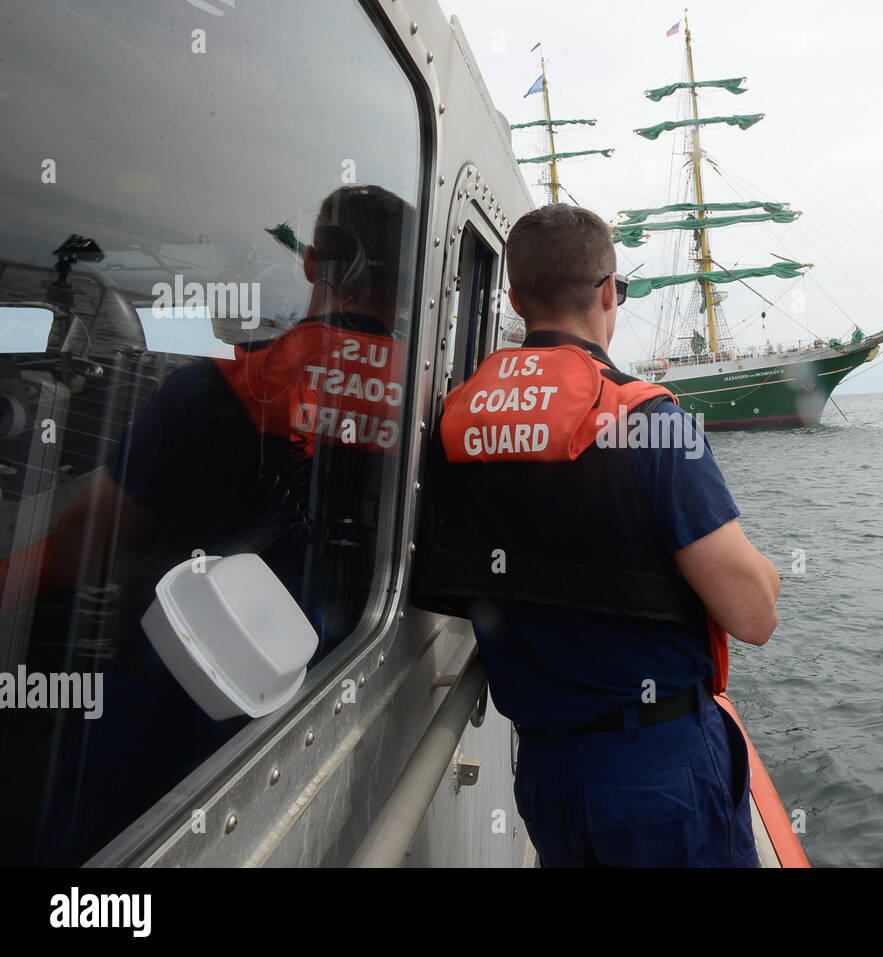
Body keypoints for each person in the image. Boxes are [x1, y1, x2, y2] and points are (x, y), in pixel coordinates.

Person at [37, 185, 413, 864]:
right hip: (322, 698)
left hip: (166, 701)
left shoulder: (215, 385)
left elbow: (79, 548)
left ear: (310, 263)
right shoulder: (426, 408)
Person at [416, 203, 781, 867]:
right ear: (610, 290)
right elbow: (755, 615)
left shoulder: (453, 424)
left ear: (517, 298)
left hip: (548, 773)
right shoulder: (646, 418)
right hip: (657, 771)